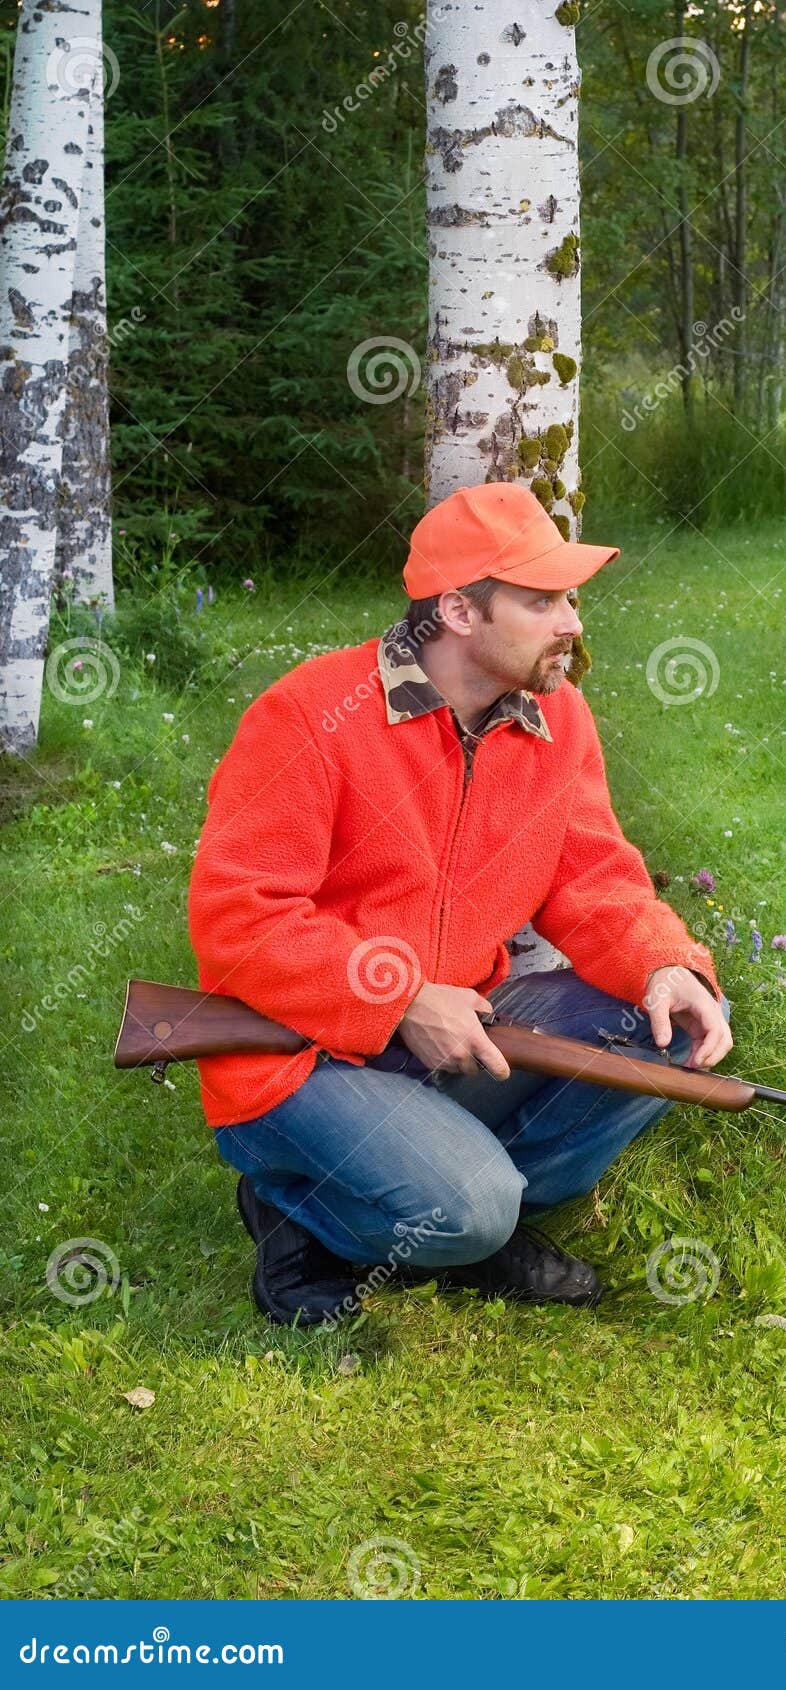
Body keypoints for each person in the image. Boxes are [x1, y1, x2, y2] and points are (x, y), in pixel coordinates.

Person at [187, 482, 733, 1327]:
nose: (573, 623)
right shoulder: (308, 716)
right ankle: (311, 1222)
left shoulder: (557, 719)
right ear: (457, 612)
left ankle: (464, 1219)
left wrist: (665, 963)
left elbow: (590, 875)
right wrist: (396, 994)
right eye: (542, 600)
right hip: (304, 1057)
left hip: (465, 1032)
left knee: (662, 1028)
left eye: (572, 599)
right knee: (469, 1206)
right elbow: (239, 917)